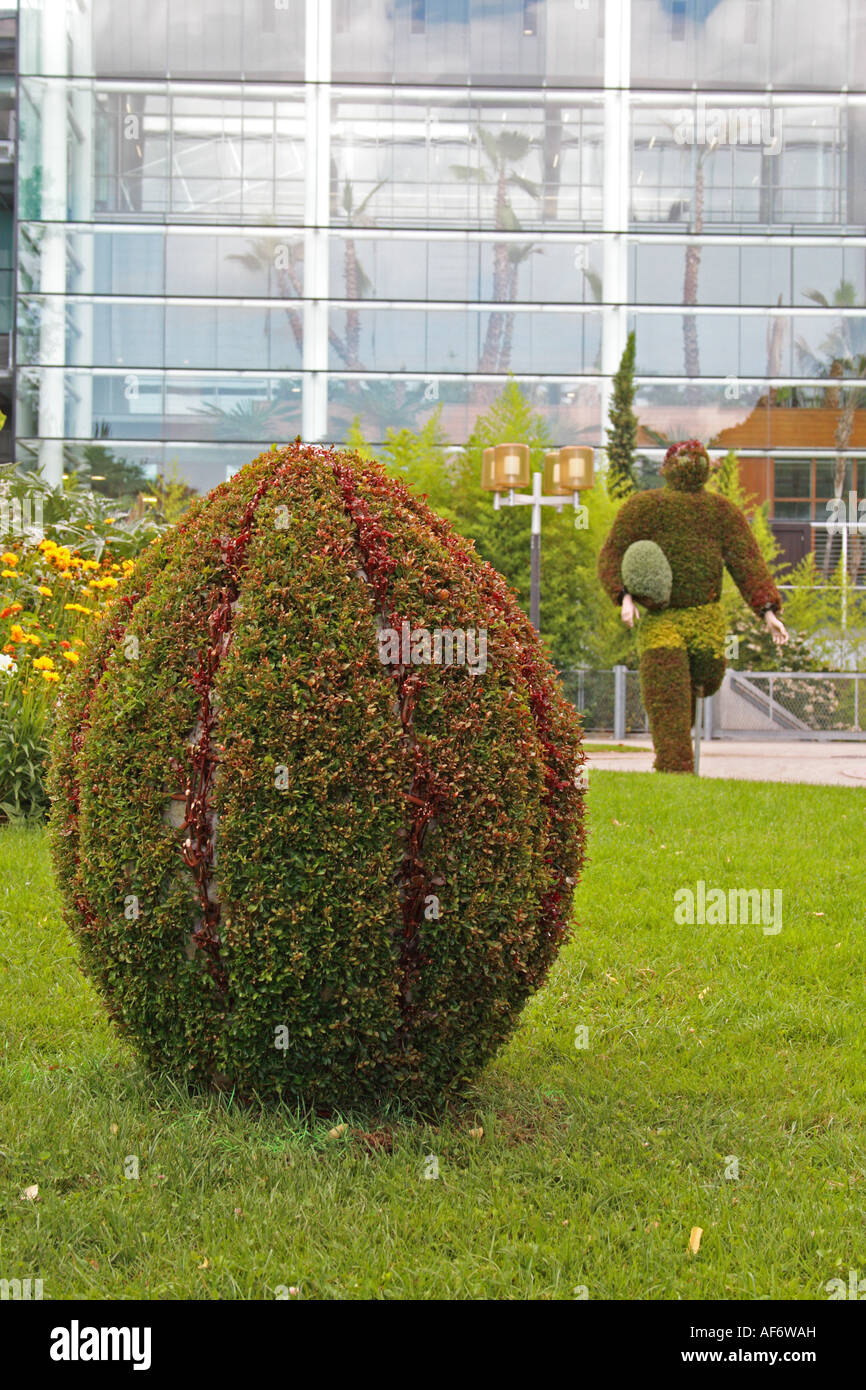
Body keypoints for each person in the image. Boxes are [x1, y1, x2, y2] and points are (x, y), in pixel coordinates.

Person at [597, 439, 788, 773]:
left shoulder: (721, 511)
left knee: (706, 675)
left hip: (706, 616)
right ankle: (675, 768)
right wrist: (624, 595)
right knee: (667, 680)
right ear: (667, 468)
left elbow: (747, 562)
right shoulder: (644, 507)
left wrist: (767, 610)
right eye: (683, 456)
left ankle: (681, 731)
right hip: (661, 617)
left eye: (696, 456)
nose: (690, 462)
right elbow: (613, 554)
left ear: (708, 467)